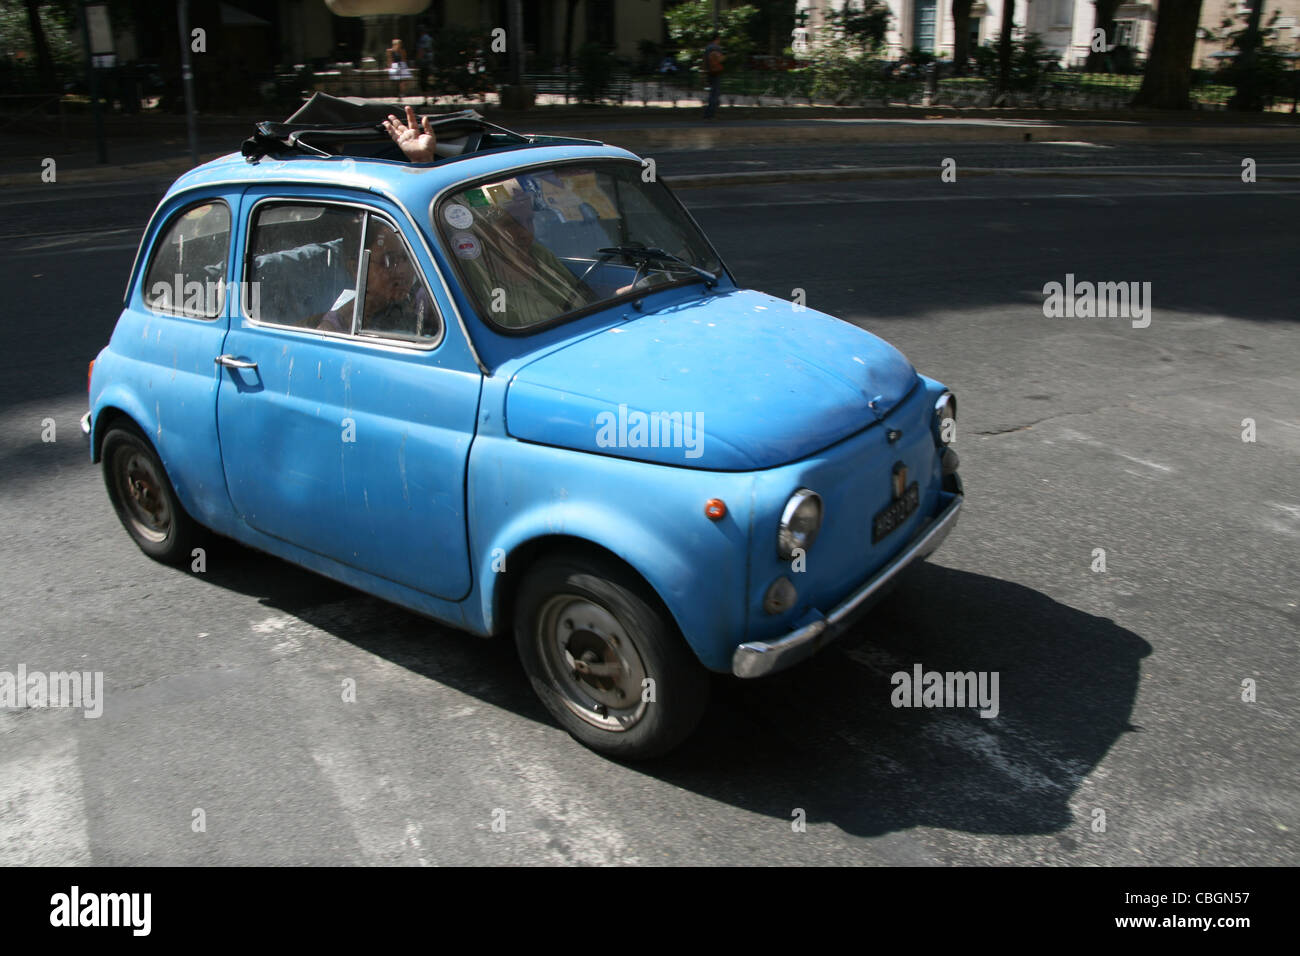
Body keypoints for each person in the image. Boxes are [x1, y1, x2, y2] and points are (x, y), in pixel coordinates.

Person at [703, 32, 725, 119]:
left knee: (712, 92)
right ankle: (710, 113)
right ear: (717, 39)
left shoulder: (707, 48)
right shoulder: (716, 48)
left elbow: (704, 61)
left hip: (709, 72)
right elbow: (720, 59)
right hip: (716, 72)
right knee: (715, 93)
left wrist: (704, 72)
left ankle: (710, 112)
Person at [415, 23, 435, 104]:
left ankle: (426, 99)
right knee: (427, 80)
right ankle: (429, 98)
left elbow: (421, 50)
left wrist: (417, 60)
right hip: (430, 61)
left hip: (424, 63)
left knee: (423, 81)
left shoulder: (422, 39)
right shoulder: (430, 38)